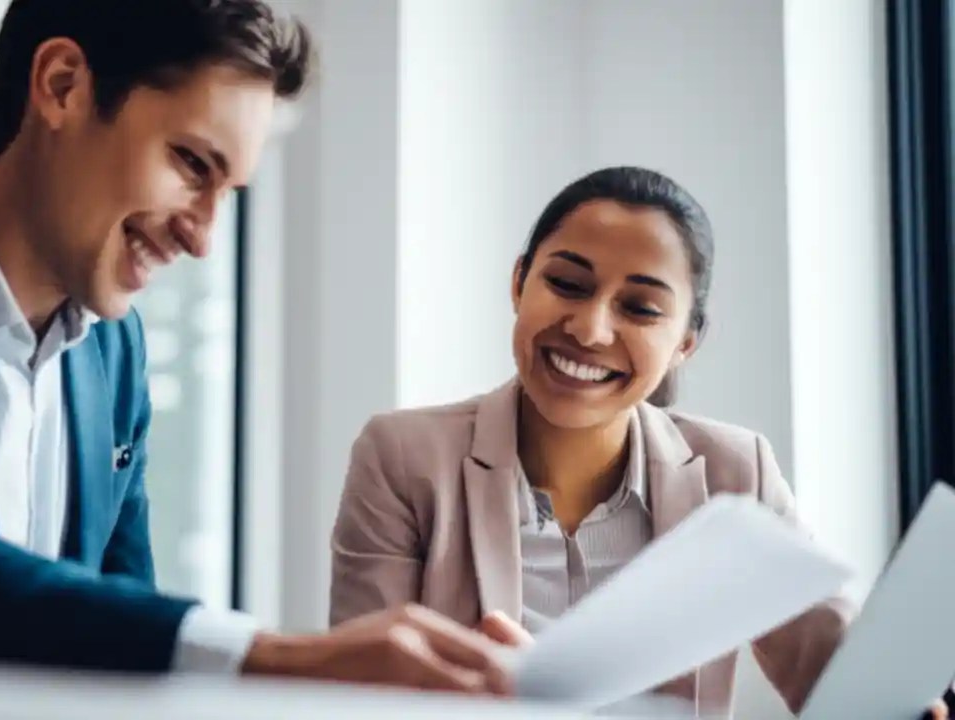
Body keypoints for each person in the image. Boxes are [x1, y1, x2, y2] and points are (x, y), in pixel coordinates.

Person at [0, 0, 512, 695]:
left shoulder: (112, 356)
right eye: (191, 163)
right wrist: (274, 656)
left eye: (230, 191)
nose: (203, 237)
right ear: (63, 84)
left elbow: (118, 626)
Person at [328, 166, 948, 717]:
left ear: (684, 342)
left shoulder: (736, 473)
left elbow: (840, 681)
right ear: (520, 282)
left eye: (642, 309)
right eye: (567, 284)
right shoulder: (404, 458)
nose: (591, 328)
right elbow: (359, 699)